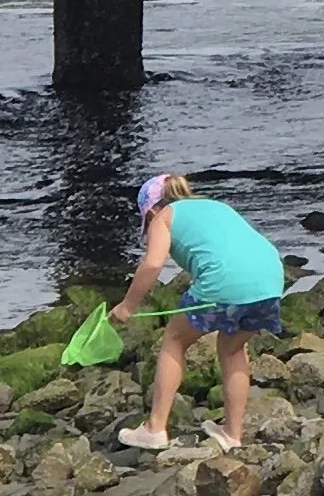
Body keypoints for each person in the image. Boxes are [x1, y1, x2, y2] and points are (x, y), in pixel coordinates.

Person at [112, 175, 286, 455]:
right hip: (270, 279)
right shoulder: (215, 206)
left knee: (175, 339)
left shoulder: (163, 216)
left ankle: (155, 428)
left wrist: (127, 306)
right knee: (232, 348)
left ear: (152, 209)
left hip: (224, 280)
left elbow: (153, 263)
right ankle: (232, 435)